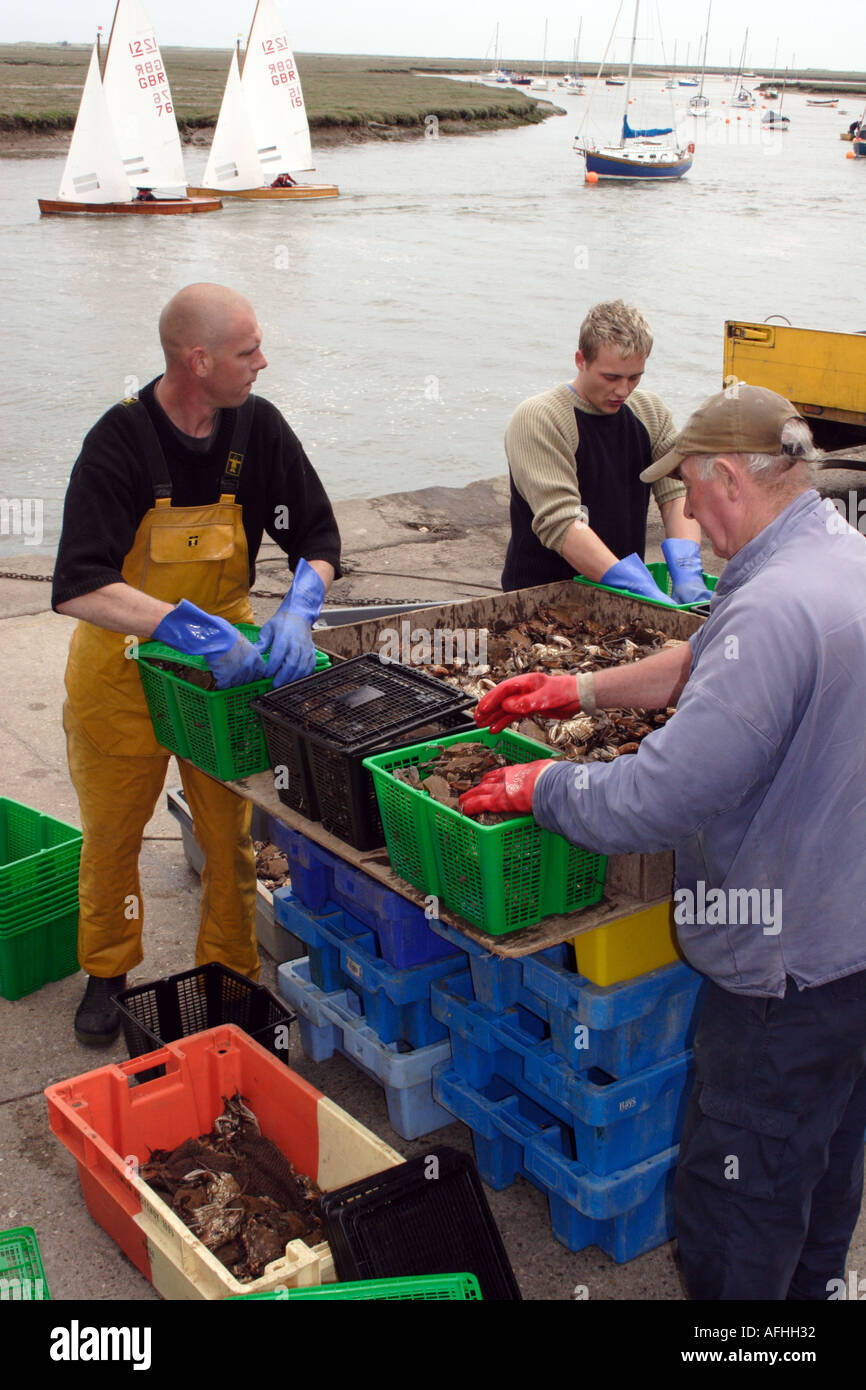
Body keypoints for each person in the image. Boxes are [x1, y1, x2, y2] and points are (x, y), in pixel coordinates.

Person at [465, 383, 866, 1300]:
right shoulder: (837, 556)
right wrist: (581, 692)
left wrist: (544, 783)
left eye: (688, 489)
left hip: (782, 974)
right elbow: (708, 656)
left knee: (737, 1207)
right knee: (826, 1164)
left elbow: (662, 795)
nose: (684, 516)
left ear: (730, 474)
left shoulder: (770, 608)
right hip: (852, 950)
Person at [52, 283, 341, 1046]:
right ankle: (108, 971)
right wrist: (186, 628)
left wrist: (302, 603)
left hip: (230, 674)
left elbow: (317, 534)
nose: (262, 362)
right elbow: (80, 585)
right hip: (123, 670)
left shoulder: (259, 428)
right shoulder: (117, 441)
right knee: (113, 834)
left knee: (230, 832)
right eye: (248, 352)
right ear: (198, 359)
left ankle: (230, 969)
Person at [501, 299, 712, 606]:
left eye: (634, 377)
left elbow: (676, 491)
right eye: (611, 377)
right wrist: (636, 584)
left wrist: (687, 570)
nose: (623, 391)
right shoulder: (540, 418)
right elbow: (562, 522)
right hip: (542, 598)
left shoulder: (649, 412)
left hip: (618, 599)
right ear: (580, 359)